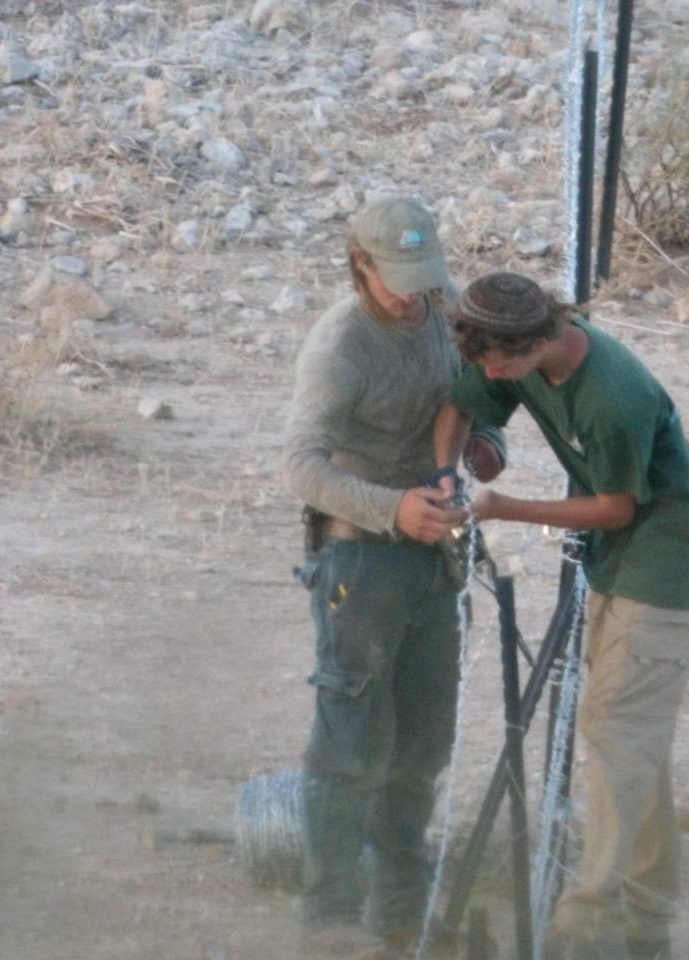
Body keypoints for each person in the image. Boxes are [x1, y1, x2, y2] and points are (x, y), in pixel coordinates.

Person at [433, 272, 689, 960]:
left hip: (665, 556)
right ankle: (648, 924)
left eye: (500, 362)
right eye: (483, 361)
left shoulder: (611, 397)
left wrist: (506, 509)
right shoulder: (509, 354)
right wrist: (444, 473)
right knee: (634, 740)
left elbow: (616, 507)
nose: (492, 373)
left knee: (613, 728)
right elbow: (459, 404)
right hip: (617, 558)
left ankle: (584, 926)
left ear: (542, 338)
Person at [283, 195, 503, 956]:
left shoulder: (443, 315)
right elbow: (301, 468)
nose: (410, 294)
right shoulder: (339, 347)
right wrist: (392, 508)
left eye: (422, 275)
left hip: (431, 559)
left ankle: (404, 908)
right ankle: (332, 919)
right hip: (360, 562)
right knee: (350, 749)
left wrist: (482, 453)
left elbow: (477, 404)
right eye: (395, 279)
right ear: (360, 265)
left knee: (422, 744)